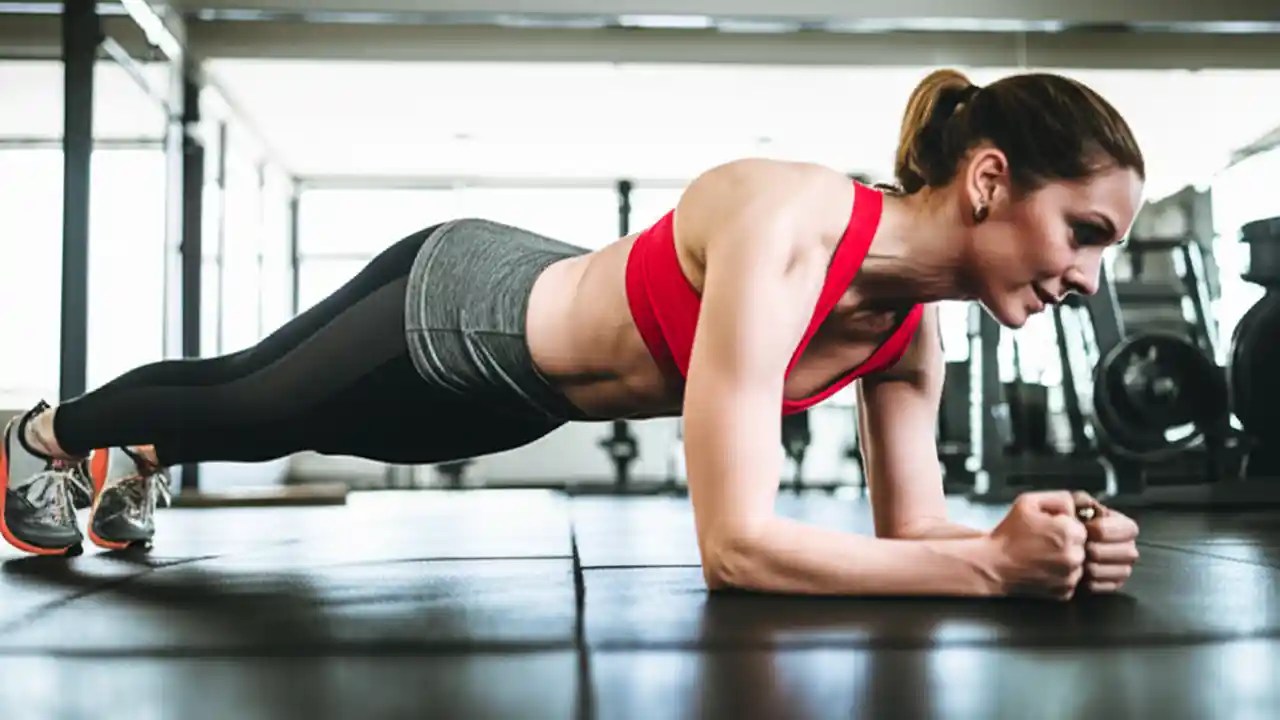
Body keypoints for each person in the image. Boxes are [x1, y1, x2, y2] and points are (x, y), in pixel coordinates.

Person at [2, 68, 1142, 600]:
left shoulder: (908, 340)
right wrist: (987, 573)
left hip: (518, 402)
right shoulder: (789, 217)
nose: (1087, 279)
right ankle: (39, 436)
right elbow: (738, 549)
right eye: (1082, 233)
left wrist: (1034, 543)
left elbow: (914, 530)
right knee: (251, 402)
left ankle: (140, 455)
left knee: (269, 427)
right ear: (987, 180)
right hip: (461, 305)